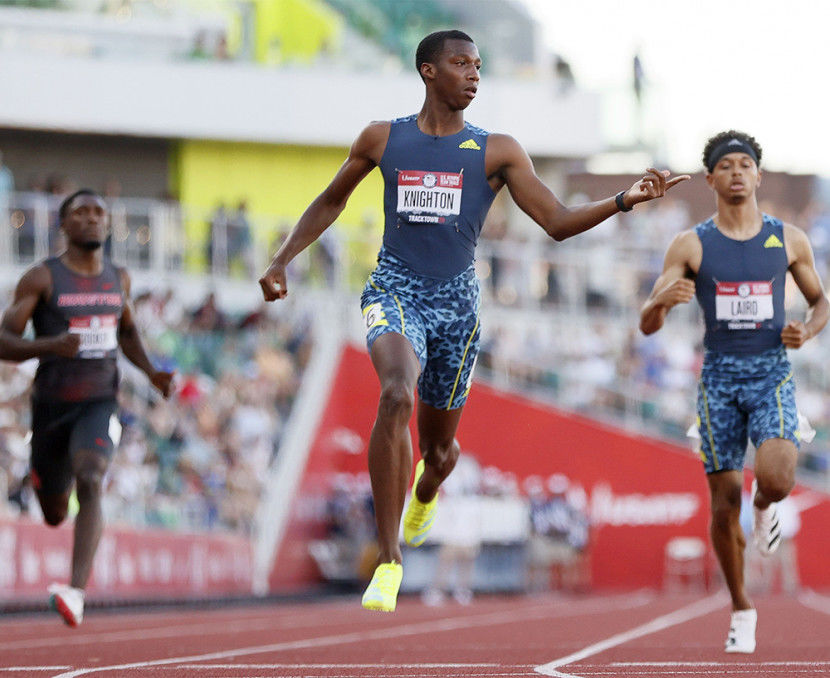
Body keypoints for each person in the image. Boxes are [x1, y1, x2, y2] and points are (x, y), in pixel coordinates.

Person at [259, 29, 688, 613]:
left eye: (480, 65)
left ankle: (428, 486)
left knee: (439, 452)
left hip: (458, 307)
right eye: (462, 63)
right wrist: (282, 259)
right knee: (394, 393)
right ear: (428, 71)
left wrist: (622, 200)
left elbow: (557, 222)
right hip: (395, 289)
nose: (474, 74)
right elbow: (331, 200)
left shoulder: (497, 150)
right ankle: (388, 560)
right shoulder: (384, 138)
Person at [639, 130, 829, 653]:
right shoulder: (691, 244)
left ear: (759, 176)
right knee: (722, 505)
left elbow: (821, 302)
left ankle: (766, 507)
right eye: (727, 166)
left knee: (778, 476)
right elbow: (646, 324)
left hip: (771, 372)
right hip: (718, 379)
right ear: (712, 179)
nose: (738, 172)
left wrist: (806, 332)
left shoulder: (787, 238)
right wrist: (662, 303)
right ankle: (742, 605)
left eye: (746, 164)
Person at [0, 189, 175, 627]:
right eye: (81, 212)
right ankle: (44, 481)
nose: (92, 219)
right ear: (64, 224)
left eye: (99, 213)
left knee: (92, 477)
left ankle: (75, 591)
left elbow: (128, 332)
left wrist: (152, 372)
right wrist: (50, 346)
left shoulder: (119, 278)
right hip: (51, 410)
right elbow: (4, 340)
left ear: (109, 225)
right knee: (55, 513)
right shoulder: (41, 279)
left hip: (99, 402)